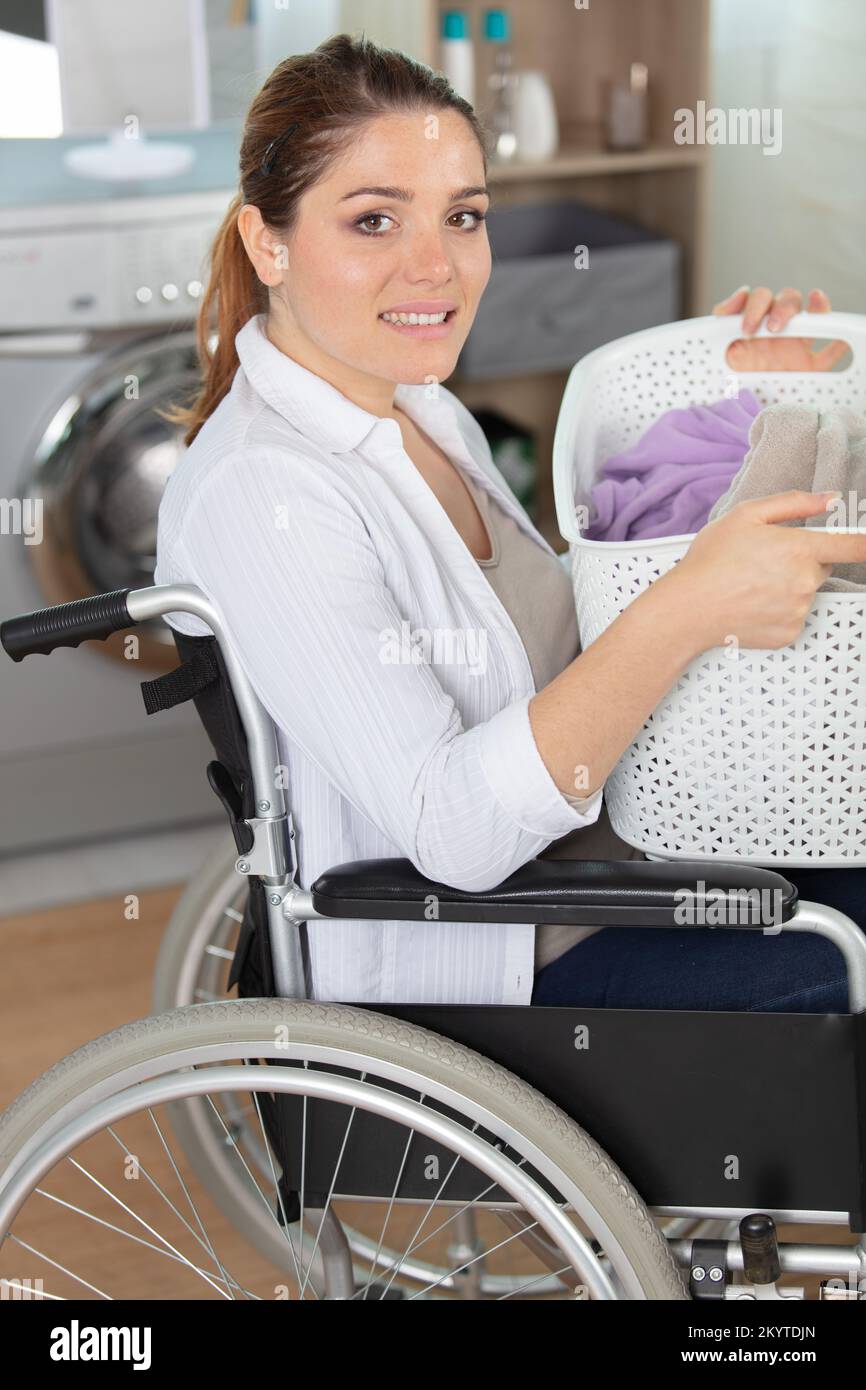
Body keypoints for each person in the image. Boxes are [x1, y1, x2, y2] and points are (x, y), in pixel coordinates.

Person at [156, 33, 866, 1012]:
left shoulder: (417, 406)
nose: (435, 268)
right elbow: (453, 832)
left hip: (627, 849)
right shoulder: (262, 495)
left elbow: (557, 629)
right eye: (373, 221)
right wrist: (687, 611)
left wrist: (736, 413)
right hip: (501, 963)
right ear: (265, 242)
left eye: (462, 216)